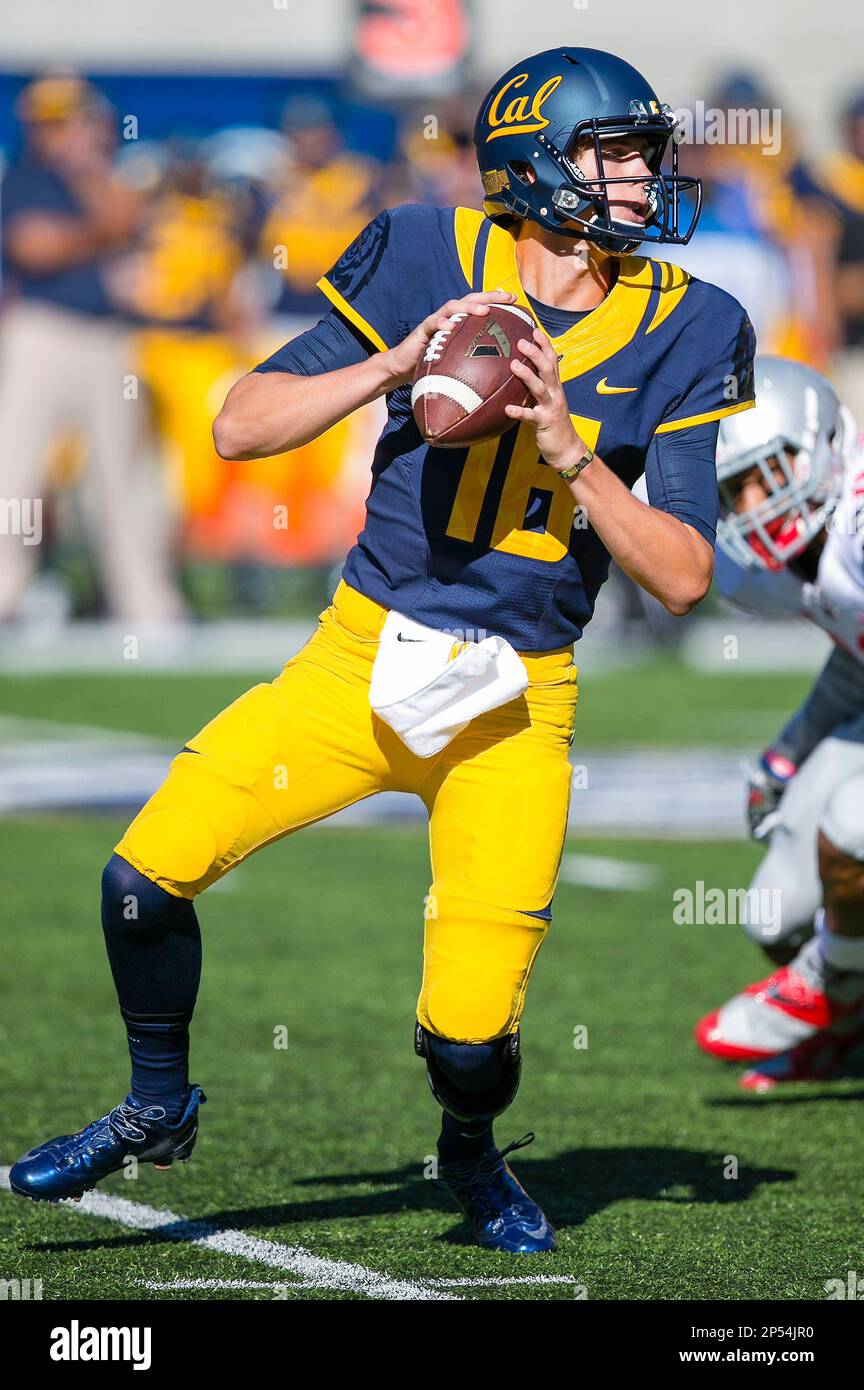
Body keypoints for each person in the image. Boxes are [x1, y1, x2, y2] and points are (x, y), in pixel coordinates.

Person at [11, 47, 754, 1253]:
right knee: (140, 879)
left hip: (516, 702)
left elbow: (681, 576)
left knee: (471, 1042)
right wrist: (396, 363)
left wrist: (571, 454)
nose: (643, 177)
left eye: (643, 153)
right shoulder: (425, 252)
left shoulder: (691, 321)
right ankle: (157, 1101)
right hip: (359, 661)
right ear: (536, 165)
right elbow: (239, 421)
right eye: (614, 154)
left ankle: (469, 1149)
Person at [694, 355, 864, 1090]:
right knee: (770, 915)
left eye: (772, 472)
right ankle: (852, 1024)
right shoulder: (809, 558)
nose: (758, 502)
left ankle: (830, 980)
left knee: (855, 825)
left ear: (823, 443)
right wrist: (788, 752)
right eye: (739, 488)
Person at [0, 72, 183, 623]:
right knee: (16, 475)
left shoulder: (103, 177)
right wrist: (97, 237)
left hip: (106, 340)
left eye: (69, 121)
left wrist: (89, 187)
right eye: (50, 124)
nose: (59, 134)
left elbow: (124, 219)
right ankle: (5, 594)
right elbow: (36, 248)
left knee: (122, 478)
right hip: (41, 332)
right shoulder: (26, 178)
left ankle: (146, 608)